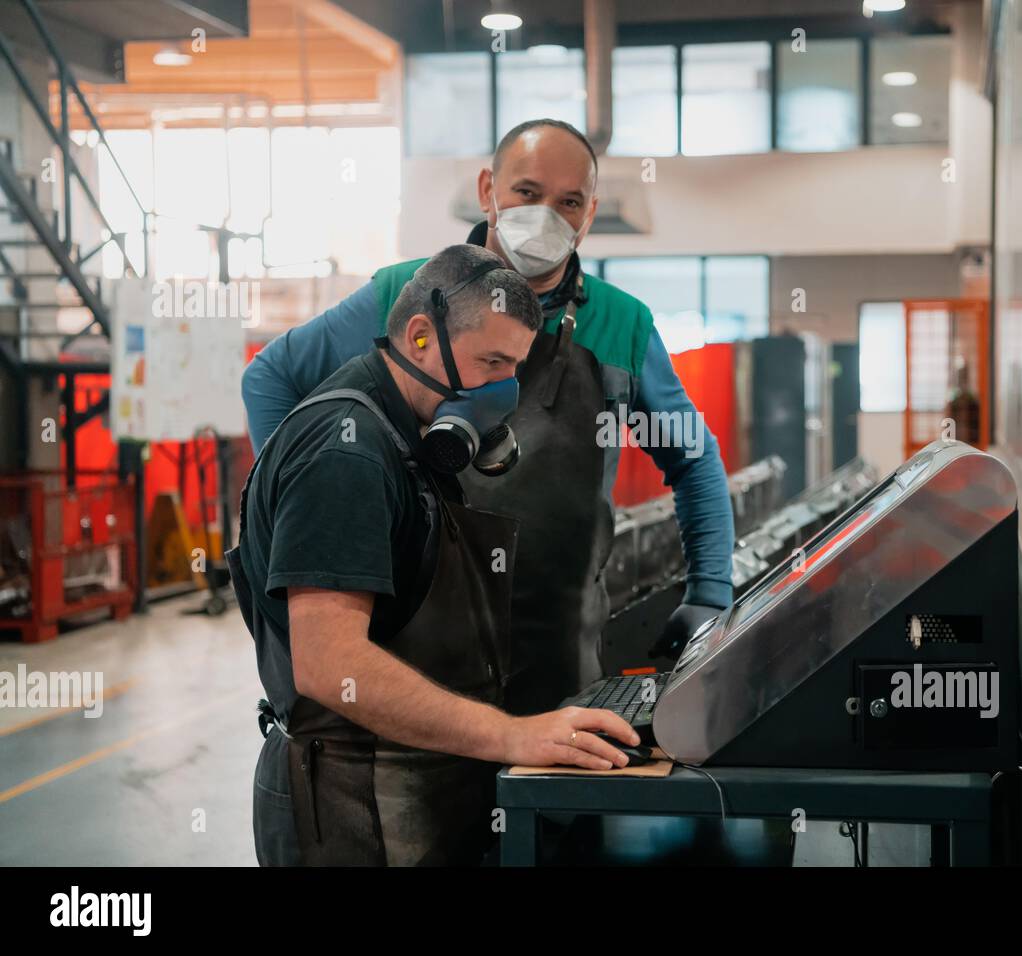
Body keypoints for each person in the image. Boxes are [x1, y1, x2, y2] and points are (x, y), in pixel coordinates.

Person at [242, 118, 735, 715]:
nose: (546, 214)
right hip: (409, 659)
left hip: (558, 656)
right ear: (488, 191)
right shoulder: (402, 295)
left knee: (549, 798)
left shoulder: (622, 325)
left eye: (569, 201)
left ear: (590, 213)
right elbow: (269, 377)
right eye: (527, 192)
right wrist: (303, 515)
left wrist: (710, 589)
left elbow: (694, 458)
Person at [229, 245, 641, 866]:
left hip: (405, 788)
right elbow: (329, 663)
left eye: (516, 369)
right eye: (492, 362)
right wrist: (511, 734)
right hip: (352, 809)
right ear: (420, 336)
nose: (506, 389)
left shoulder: (404, 435)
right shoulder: (348, 453)